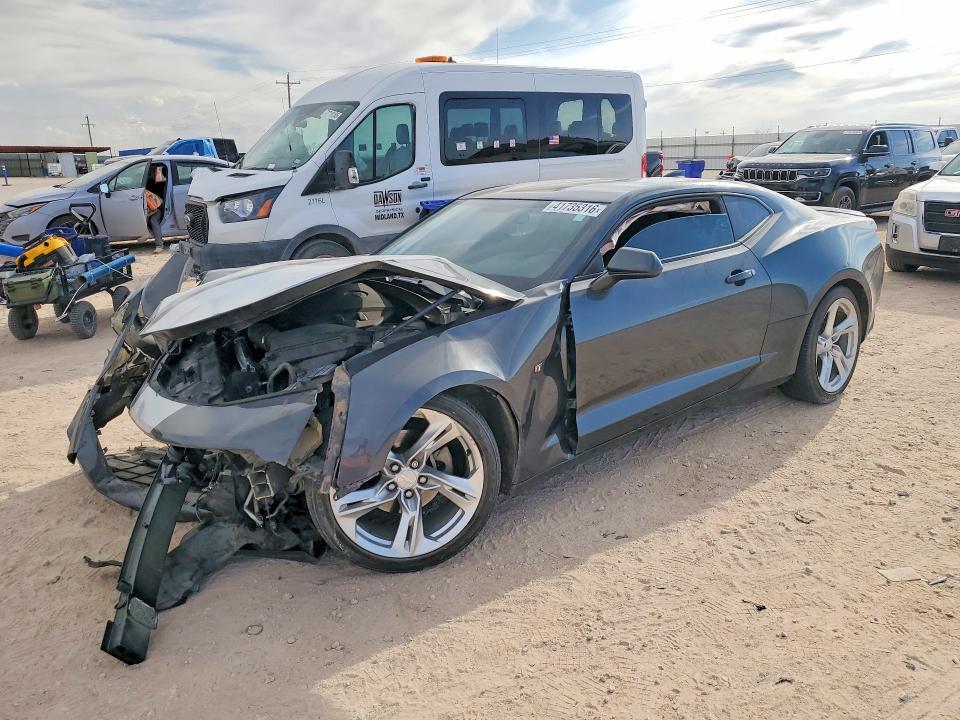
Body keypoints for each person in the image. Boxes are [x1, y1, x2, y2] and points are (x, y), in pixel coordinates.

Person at [145, 165, 166, 253]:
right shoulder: (148, 184)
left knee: (153, 221)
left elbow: (156, 207)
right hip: (151, 209)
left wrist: (149, 214)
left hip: (158, 209)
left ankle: (159, 245)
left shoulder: (161, 184)